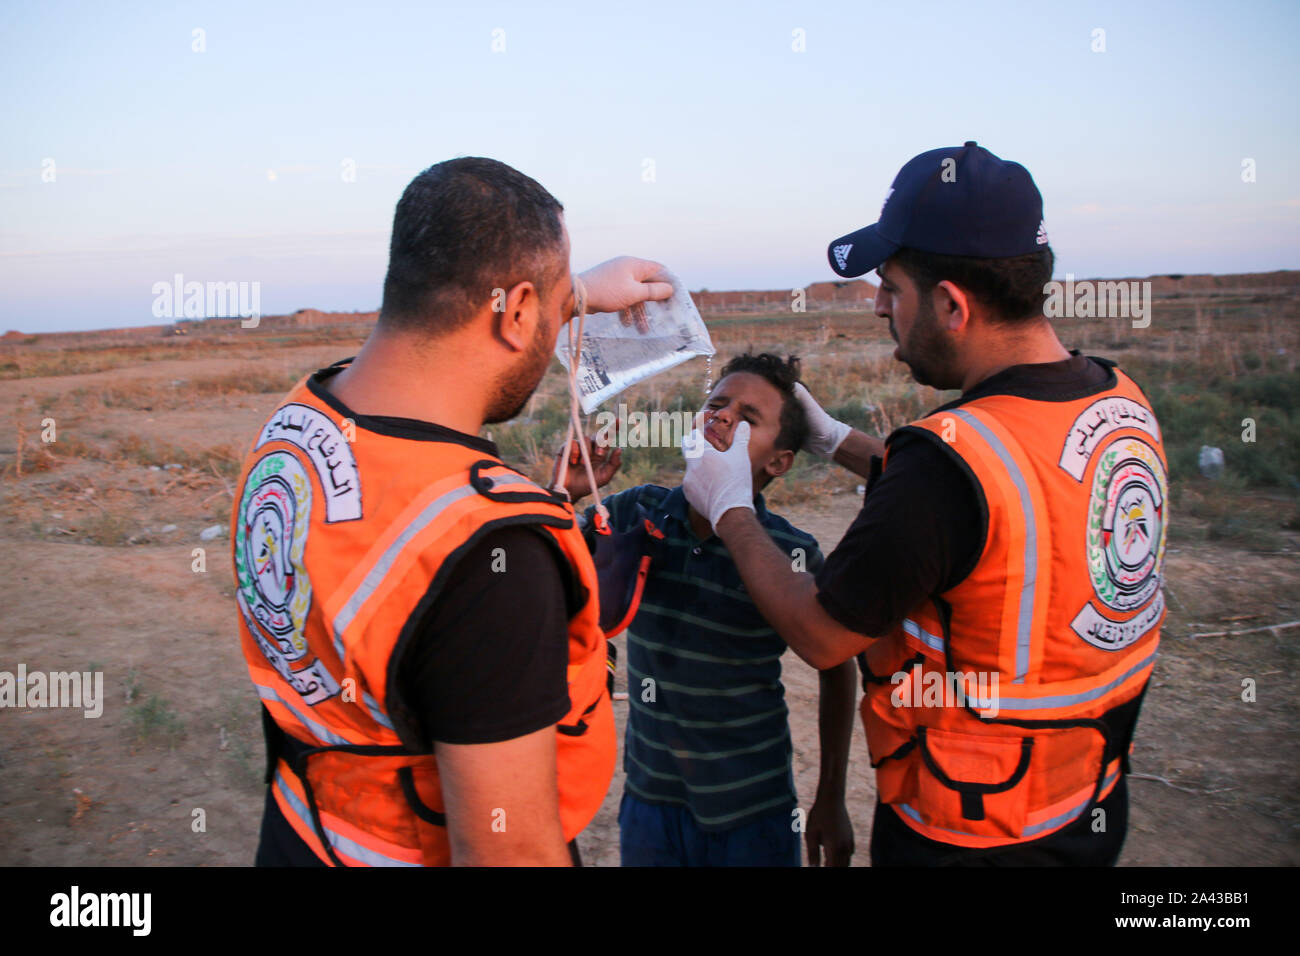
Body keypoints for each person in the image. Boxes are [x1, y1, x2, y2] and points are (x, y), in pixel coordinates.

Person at [681, 142, 1168, 865]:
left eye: (892, 288)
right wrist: (837, 440)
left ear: (951, 304)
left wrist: (730, 509)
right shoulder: (1116, 400)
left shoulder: (947, 458)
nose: (879, 306)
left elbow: (821, 634)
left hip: (968, 826)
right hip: (1083, 798)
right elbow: (1005, 505)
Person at [231, 156, 672, 866]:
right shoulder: (494, 565)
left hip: (303, 832)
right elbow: (511, 852)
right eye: (554, 308)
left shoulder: (300, 421)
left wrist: (574, 290)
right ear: (519, 311)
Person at [559, 352, 857, 866]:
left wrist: (830, 791)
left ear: (779, 461)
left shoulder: (789, 551)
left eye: (747, 416)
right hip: (650, 797)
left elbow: (835, 665)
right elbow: (548, 577)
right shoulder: (637, 512)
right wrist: (564, 493)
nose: (721, 416)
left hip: (753, 806)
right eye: (716, 404)